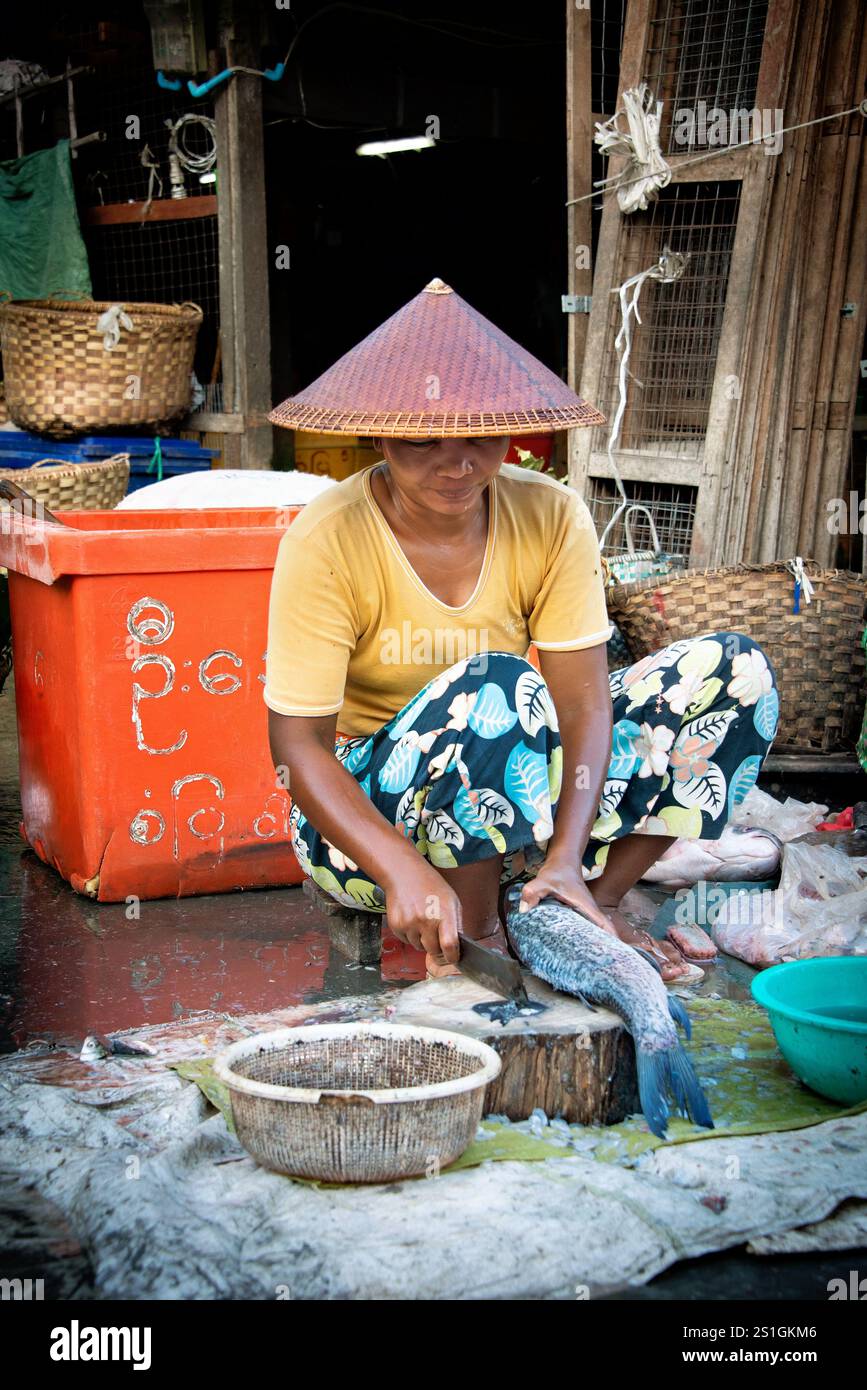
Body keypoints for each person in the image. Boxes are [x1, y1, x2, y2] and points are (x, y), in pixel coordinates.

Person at [264, 279, 779, 982]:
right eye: (424, 441)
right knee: (497, 681)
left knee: (735, 669)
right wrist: (401, 869)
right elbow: (299, 748)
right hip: (371, 822)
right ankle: (477, 941)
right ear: (378, 436)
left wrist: (565, 852)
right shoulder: (326, 537)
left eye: (482, 436)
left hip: (518, 788)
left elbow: (584, 702)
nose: (458, 462)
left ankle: (576, 907)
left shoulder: (551, 513)